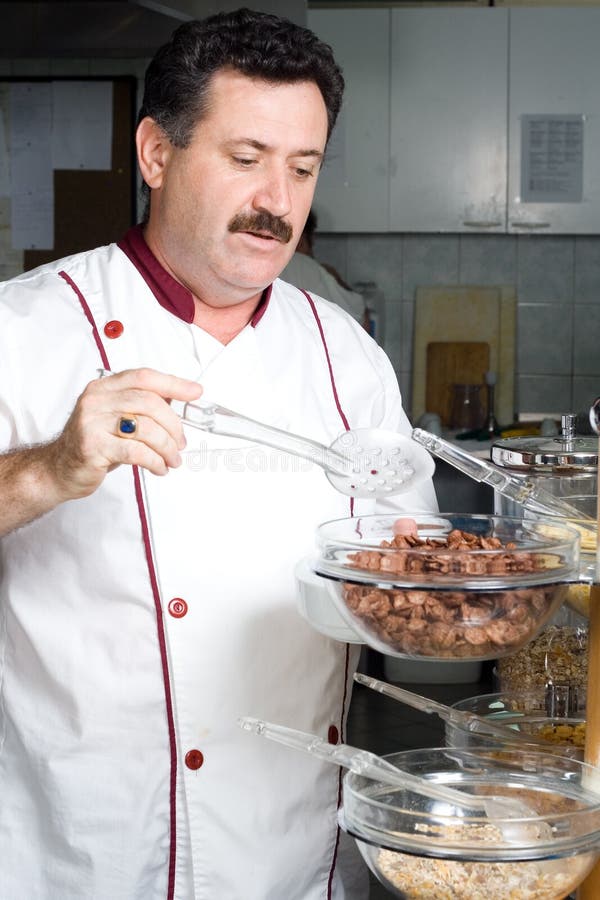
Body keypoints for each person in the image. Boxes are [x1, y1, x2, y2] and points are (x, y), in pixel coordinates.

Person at [0, 8, 436, 899]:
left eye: (302, 167)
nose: (278, 199)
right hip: (76, 844)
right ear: (157, 154)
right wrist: (48, 471)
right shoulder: (23, 328)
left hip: (287, 844)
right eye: (246, 160)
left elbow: (410, 564)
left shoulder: (343, 353)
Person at [280, 209, 368, 325]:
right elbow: (361, 319)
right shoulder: (306, 267)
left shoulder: (265, 268)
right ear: (301, 240)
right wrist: (336, 279)